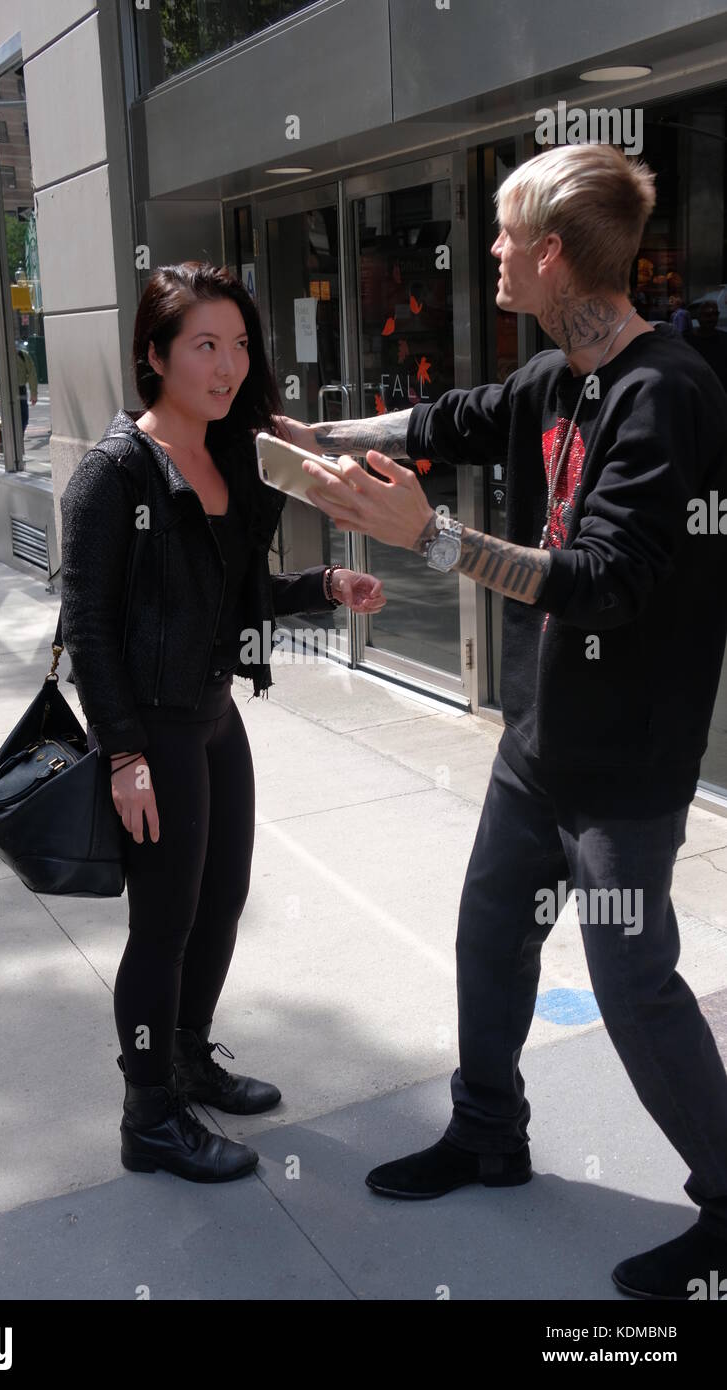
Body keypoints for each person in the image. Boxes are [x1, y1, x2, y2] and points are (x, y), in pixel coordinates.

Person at [278, 143, 727, 1300]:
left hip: (624, 764)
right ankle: (488, 1130)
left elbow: (602, 578)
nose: (484, 254)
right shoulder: (551, 378)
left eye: (498, 235)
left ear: (548, 252)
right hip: (537, 745)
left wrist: (428, 541)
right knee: (490, 935)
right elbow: (446, 419)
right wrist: (312, 443)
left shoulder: (662, 390)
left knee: (631, 985)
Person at [59, 262, 385, 1185]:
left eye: (240, 344)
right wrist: (124, 754)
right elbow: (89, 626)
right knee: (162, 924)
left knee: (221, 900)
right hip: (151, 730)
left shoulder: (233, 456)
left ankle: (187, 1057)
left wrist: (324, 587)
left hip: (211, 715)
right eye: (206, 344)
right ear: (155, 355)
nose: (228, 364)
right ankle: (147, 1115)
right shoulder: (115, 473)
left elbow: (234, 600)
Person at [686, 299, 727, 393]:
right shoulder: (686, 341)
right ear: (698, 317)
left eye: (715, 314)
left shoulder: (725, 339)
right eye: (707, 315)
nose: (712, 318)